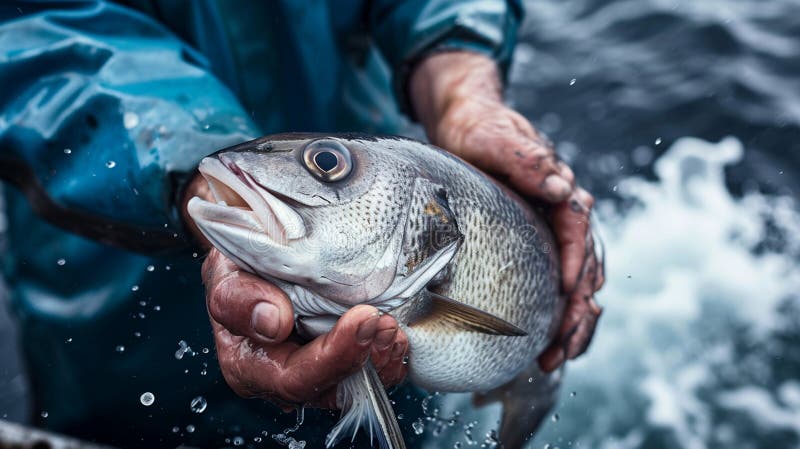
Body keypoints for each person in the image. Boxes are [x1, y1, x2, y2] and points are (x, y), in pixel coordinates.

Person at [0, 1, 603, 448]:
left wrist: (461, 91)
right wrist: (186, 165)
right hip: (115, 299)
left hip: (371, 301)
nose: (327, 170)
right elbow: (34, 30)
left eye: (329, 167)